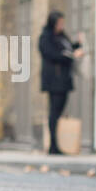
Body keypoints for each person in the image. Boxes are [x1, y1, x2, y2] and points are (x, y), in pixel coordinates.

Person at [38, 11, 84, 155]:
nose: (61, 26)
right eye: (59, 23)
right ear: (53, 23)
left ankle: (54, 145)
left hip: (63, 79)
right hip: (54, 80)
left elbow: (68, 49)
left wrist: (78, 45)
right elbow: (52, 55)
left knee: (58, 112)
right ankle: (53, 146)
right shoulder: (46, 37)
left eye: (62, 23)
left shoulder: (62, 36)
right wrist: (72, 56)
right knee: (54, 112)